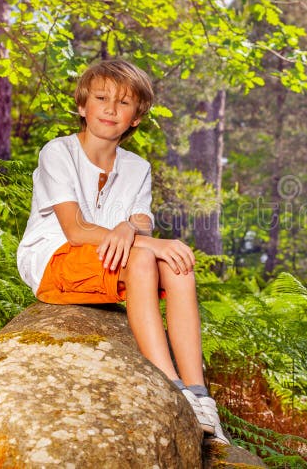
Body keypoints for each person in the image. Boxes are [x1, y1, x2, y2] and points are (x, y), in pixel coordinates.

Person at [17, 59, 228, 444]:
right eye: (101, 98)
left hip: (110, 261)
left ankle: (199, 396)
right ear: (83, 106)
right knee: (148, 254)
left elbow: (140, 222)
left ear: (136, 117)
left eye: (123, 102)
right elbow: (76, 229)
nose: (111, 109)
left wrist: (132, 229)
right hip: (56, 260)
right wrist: (144, 239)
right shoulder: (58, 152)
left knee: (176, 265)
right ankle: (172, 386)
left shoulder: (137, 167)